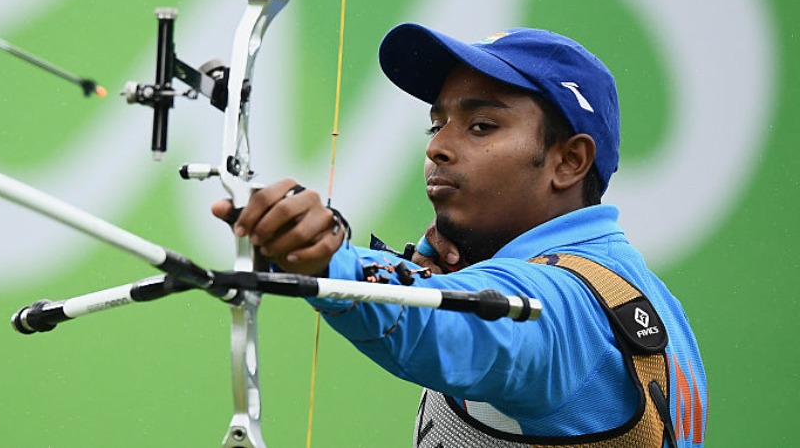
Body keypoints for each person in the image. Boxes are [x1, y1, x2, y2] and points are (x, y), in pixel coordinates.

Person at [212, 23, 708, 446]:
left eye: (482, 125)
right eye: (437, 125)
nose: (439, 148)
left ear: (569, 160)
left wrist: (328, 263)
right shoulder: (623, 286)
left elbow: (453, 326)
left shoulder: (561, 305)